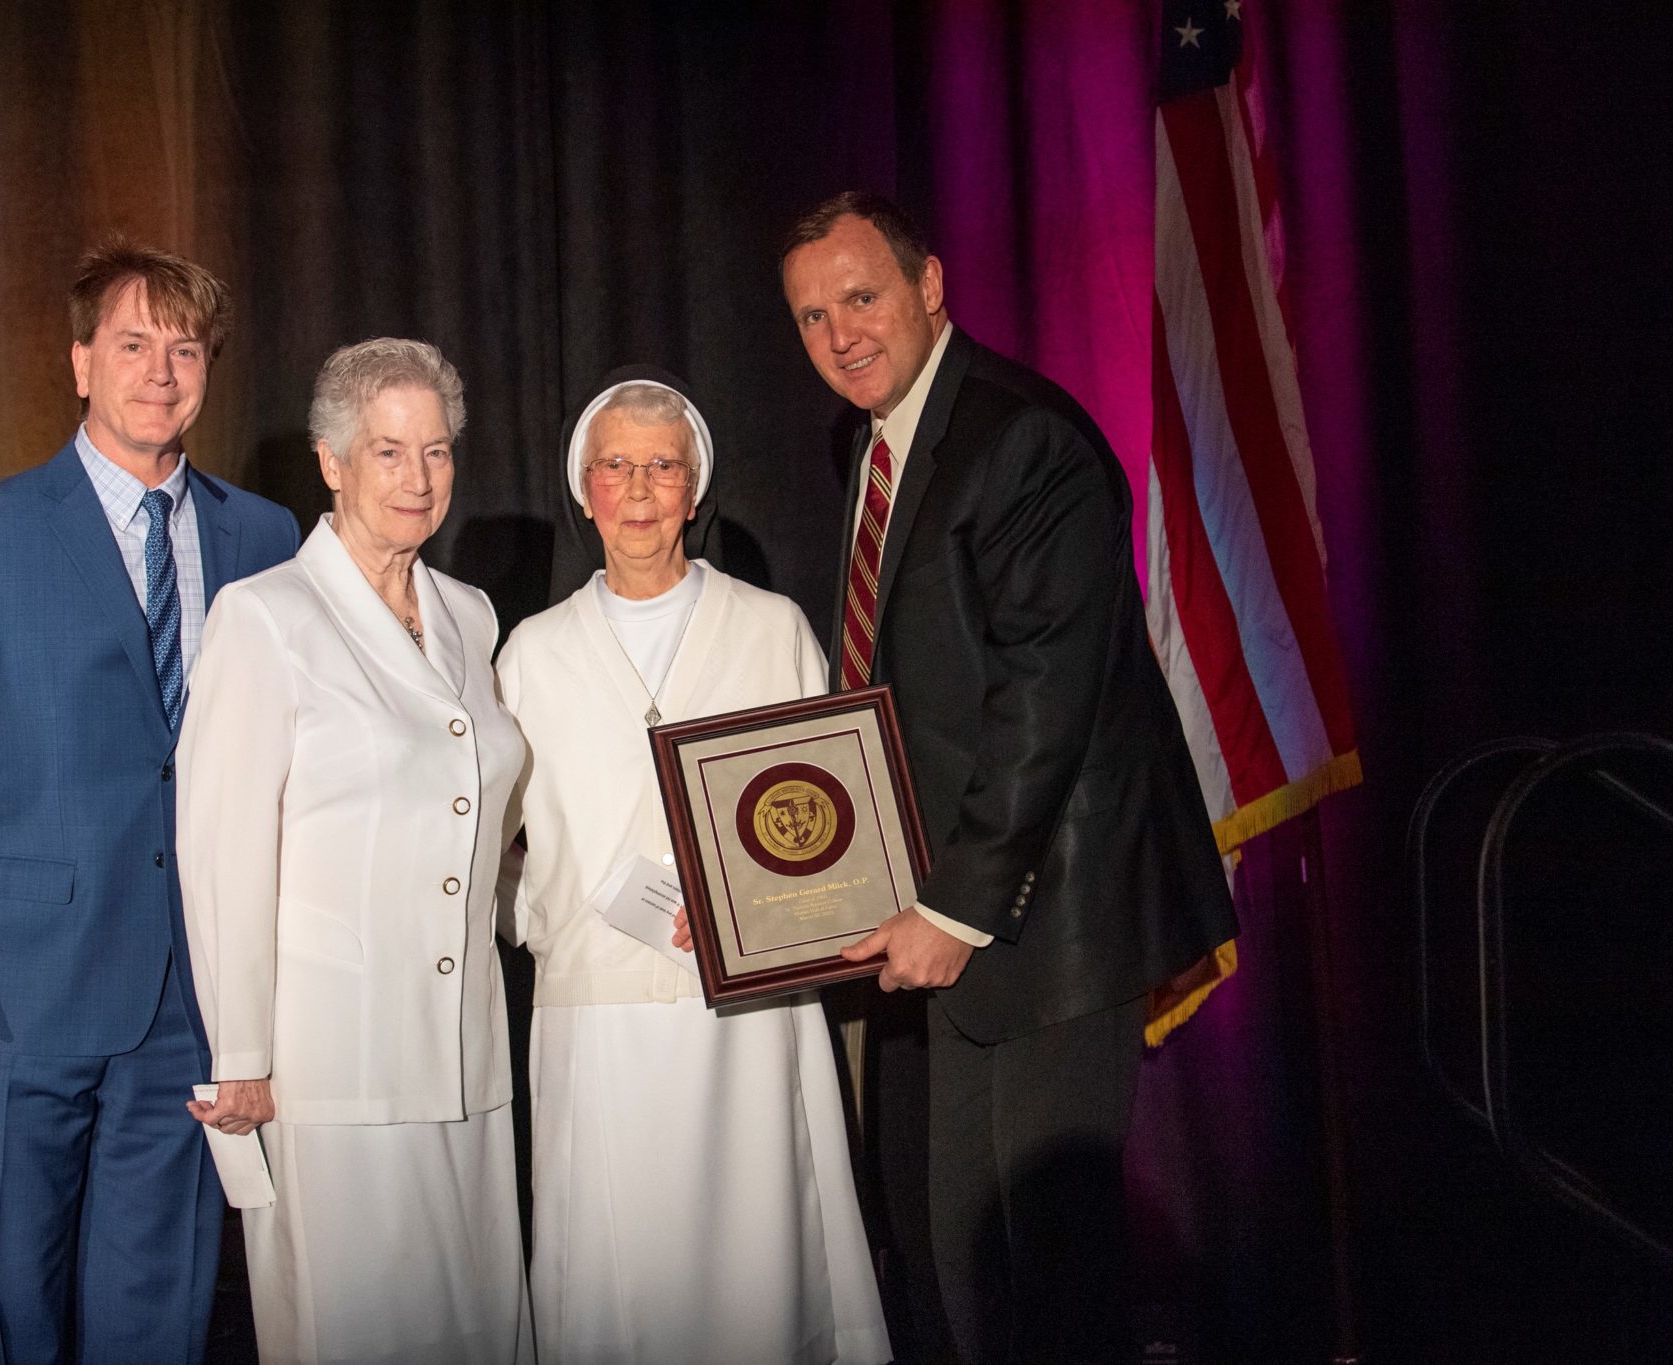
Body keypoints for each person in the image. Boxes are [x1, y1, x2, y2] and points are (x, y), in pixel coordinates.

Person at [780, 193, 1238, 1364]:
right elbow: (911, 694)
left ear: (931, 285)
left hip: (1049, 921)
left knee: (1042, 1275)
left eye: (862, 297)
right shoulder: (880, 443)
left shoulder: (1020, 438)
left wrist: (951, 906)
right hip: (955, 926)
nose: (840, 335)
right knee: (954, 1263)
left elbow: (1045, 696)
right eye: (811, 316)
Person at [0, 241, 301, 1362]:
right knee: (10, 1296)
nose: (160, 371)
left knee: (155, 1305)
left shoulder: (265, 538)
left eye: (185, 347)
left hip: (192, 995)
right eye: (131, 344)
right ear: (78, 363)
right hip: (16, 993)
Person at [495, 369, 891, 1365]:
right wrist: (546, 914)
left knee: (757, 1267)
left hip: (746, 1019)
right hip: (595, 1014)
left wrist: (752, 910)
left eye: (659, 466)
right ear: (583, 489)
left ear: (694, 486)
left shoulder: (769, 631)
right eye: (615, 466)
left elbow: (833, 831)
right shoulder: (529, 655)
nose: (636, 488)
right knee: (613, 1281)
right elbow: (488, 851)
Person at [175, 338, 534, 1365]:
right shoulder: (265, 617)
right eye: (387, 451)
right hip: (332, 1061)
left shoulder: (469, 614)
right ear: (331, 462)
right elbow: (219, 849)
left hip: (465, 1051)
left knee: (475, 1330)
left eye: (436, 451)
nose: (418, 479)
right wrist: (239, 1052)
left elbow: (481, 822)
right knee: (360, 1331)